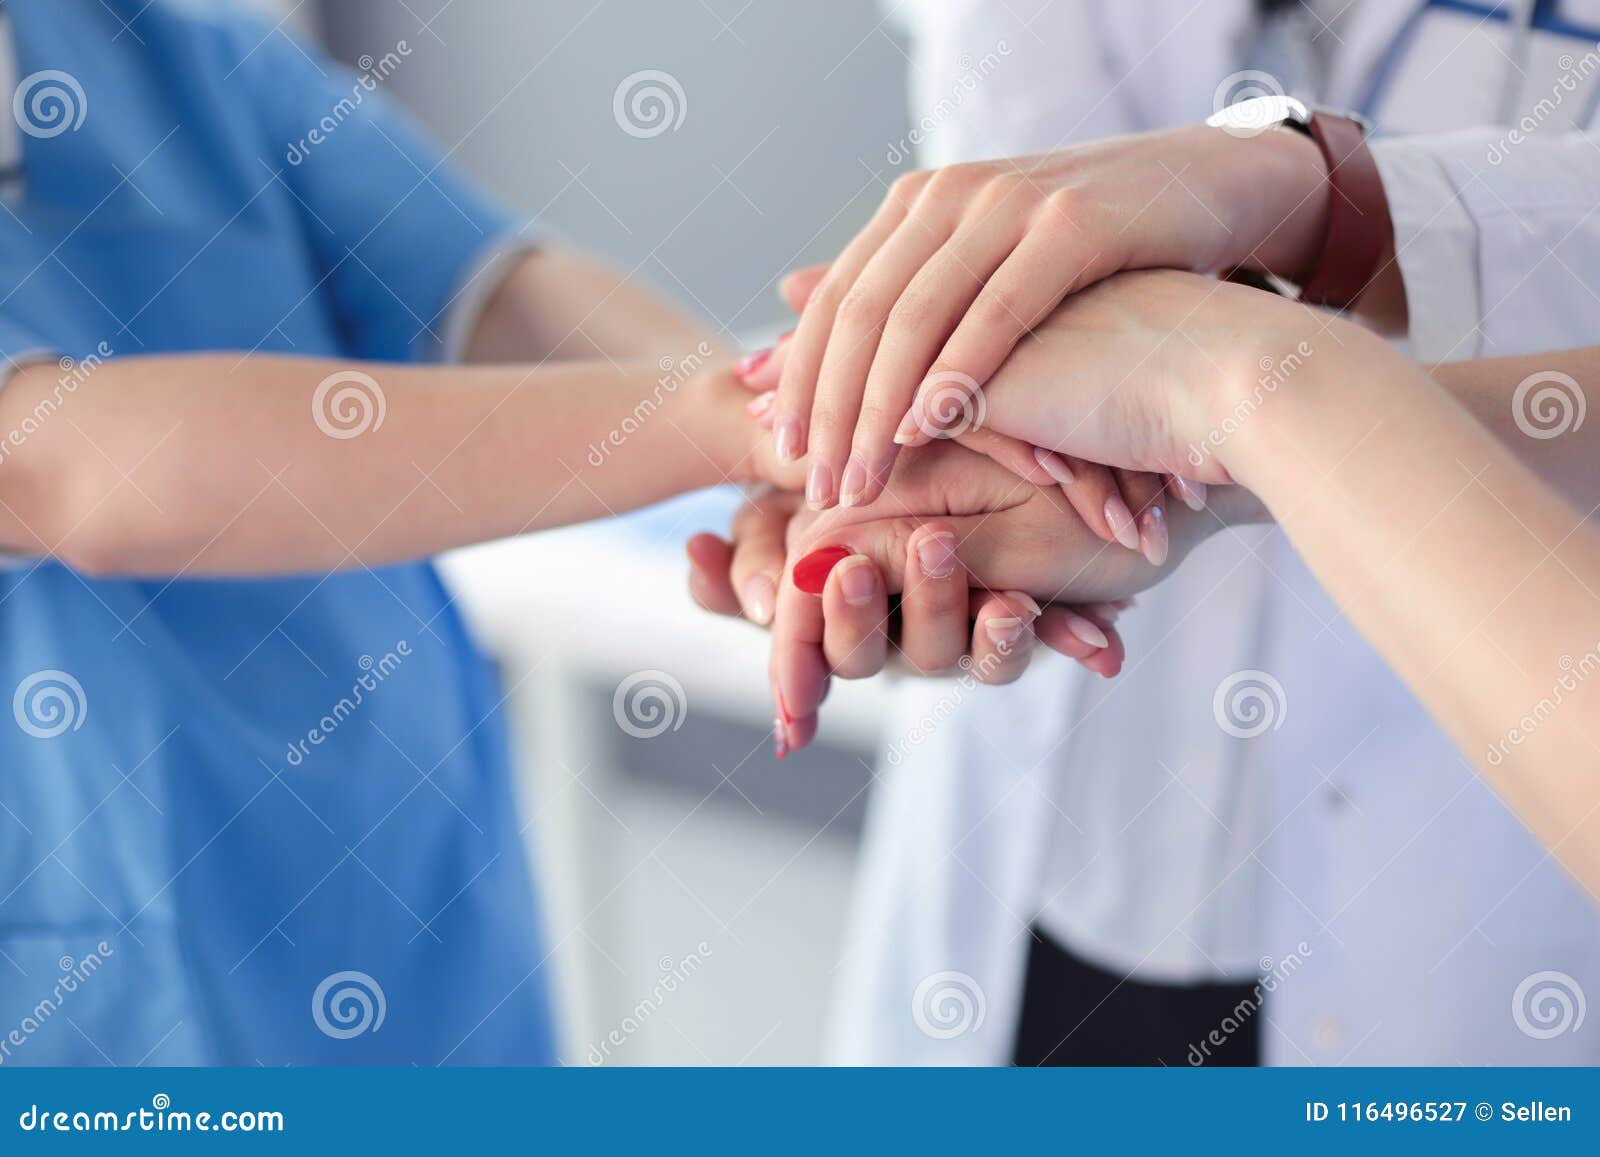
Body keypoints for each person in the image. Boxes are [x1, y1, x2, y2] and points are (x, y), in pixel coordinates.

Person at [694, 0, 1600, 1065]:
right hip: (1056, 828)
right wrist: (871, 469)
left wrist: (1296, 213)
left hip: (1464, 846)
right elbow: (1021, 257)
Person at [0, 0, 808, 1066]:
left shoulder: (156, 43)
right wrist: (734, 427)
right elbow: (74, 469)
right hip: (106, 943)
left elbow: (487, 284)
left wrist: (799, 433)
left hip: (402, 863)